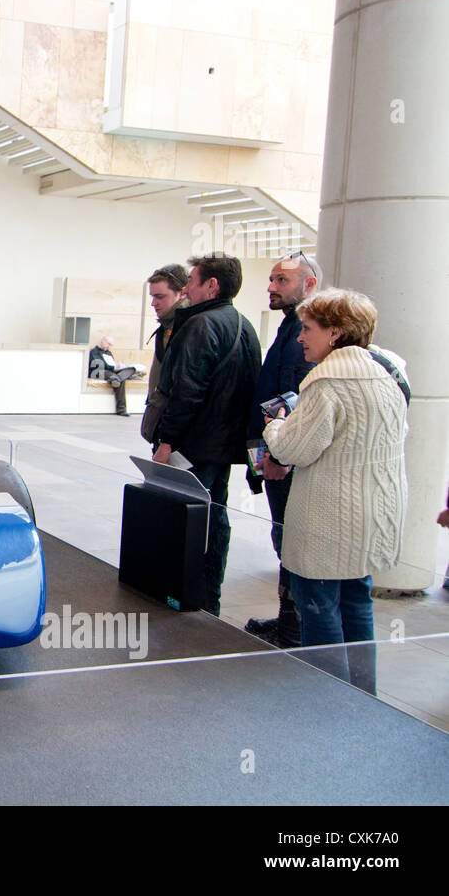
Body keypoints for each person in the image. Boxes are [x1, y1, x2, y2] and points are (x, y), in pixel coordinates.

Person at [262, 288, 408, 694]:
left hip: (328, 521)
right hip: (370, 517)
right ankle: (364, 696)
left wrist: (275, 424)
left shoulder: (327, 382)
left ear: (336, 332)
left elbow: (292, 448)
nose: (300, 337)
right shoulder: (388, 374)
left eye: (308, 329)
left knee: (319, 608)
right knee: (357, 604)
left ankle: (328, 703)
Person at [149, 253, 262, 615]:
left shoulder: (201, 326)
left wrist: (166, 442)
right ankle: (208, 595)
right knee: (216, 517)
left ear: (212, 285)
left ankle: (185, 594)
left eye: (193, 281)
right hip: (221, 447)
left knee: (190, 520)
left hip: (194, 447)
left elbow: (187, 391)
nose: (187, 288)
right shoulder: (245, 325)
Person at [244, 252, 322, 647]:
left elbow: (295, 404)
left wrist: (277, 457)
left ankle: (293, 630)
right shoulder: (289, 328)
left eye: (281, 280)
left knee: (290, 541)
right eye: (272, 279)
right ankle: (287, 621)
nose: (271, 287)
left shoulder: (303, 334)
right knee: (282, 537)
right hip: (269, 450)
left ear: (309, 284)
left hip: (282, 456)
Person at [144, 264, 188, 409]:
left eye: (160, 297)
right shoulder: (167, 326)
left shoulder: (189, 328)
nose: (153, 303)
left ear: (182, 293)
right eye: (152, 297)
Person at [87, 336, 144, 416]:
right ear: (103, 341)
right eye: (108, 344)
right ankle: (116, 379)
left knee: (129, 371)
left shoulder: (108, 353)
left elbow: (112, 364)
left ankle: (116, 379)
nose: (109, 346)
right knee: (112, 375)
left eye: (111, 345)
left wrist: (118, 366)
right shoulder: (94, 352)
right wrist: (113, 367)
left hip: (111, 372)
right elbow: (98, 365)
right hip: (98, 372)